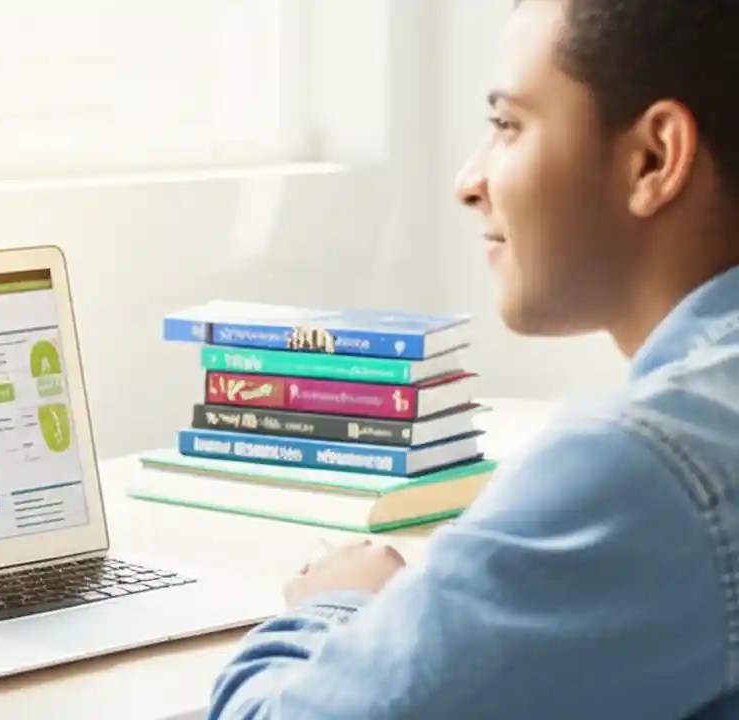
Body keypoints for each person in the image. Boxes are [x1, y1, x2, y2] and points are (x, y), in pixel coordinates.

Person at [206, 1, 739, 718]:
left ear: (653, 158)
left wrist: (344, 606)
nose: (468, 181)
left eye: (508, 125)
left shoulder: (646, 469)